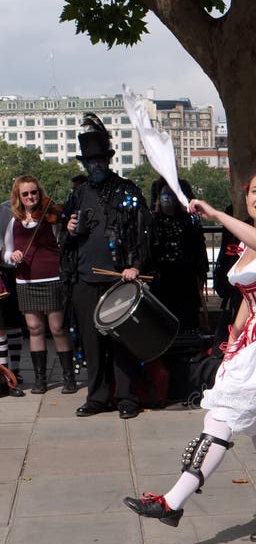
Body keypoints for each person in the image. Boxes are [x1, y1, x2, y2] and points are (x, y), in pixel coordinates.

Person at [123, 166, 256, 534]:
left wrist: (218, 215)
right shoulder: (251, 243)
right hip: (252, 344)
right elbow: (251, 298)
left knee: (220, 419)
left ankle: (173, 501)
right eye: (255, 190)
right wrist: (235, 337)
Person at [59, 113, 151, 419]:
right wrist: (69, 230)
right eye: (90, 161)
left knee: (122, 340)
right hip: (85, 279)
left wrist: (134, 266)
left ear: (108, 160)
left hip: (119, 279)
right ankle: (97, 397)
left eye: (100, 160)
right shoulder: (78, 194)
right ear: (84, 164)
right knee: (92, 341)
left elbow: (142, 233)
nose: (95, 165)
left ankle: (126, 397)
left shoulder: (127, 191)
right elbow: (65, 238)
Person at [3, 175, 76, 394]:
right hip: (26, 281)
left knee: (57, 329)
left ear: (39, 192)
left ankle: (68, 377)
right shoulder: (13, 222)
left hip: (52, 278)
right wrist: (12, 255)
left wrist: (70, 226)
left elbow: (66, 237)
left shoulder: (50, 216)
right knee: (35, 329)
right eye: (25, 194)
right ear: (19, 197)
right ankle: (40, 380)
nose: (31, 197)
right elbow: (5, 252)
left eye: (34, 192)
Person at [150, 178, 209, 333]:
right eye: (163, 194)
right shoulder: (153, 221)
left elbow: (198, 246)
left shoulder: (189, 220)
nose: (166, 198)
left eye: (170, 194)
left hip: (185, 274)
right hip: (162, 276)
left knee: (187, 313)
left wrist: (202, 271)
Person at [0, 199, 25, 396]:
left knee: (9, 324)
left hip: (7, 273)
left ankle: (10, 375)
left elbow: (3, 251)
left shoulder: (4, 210)